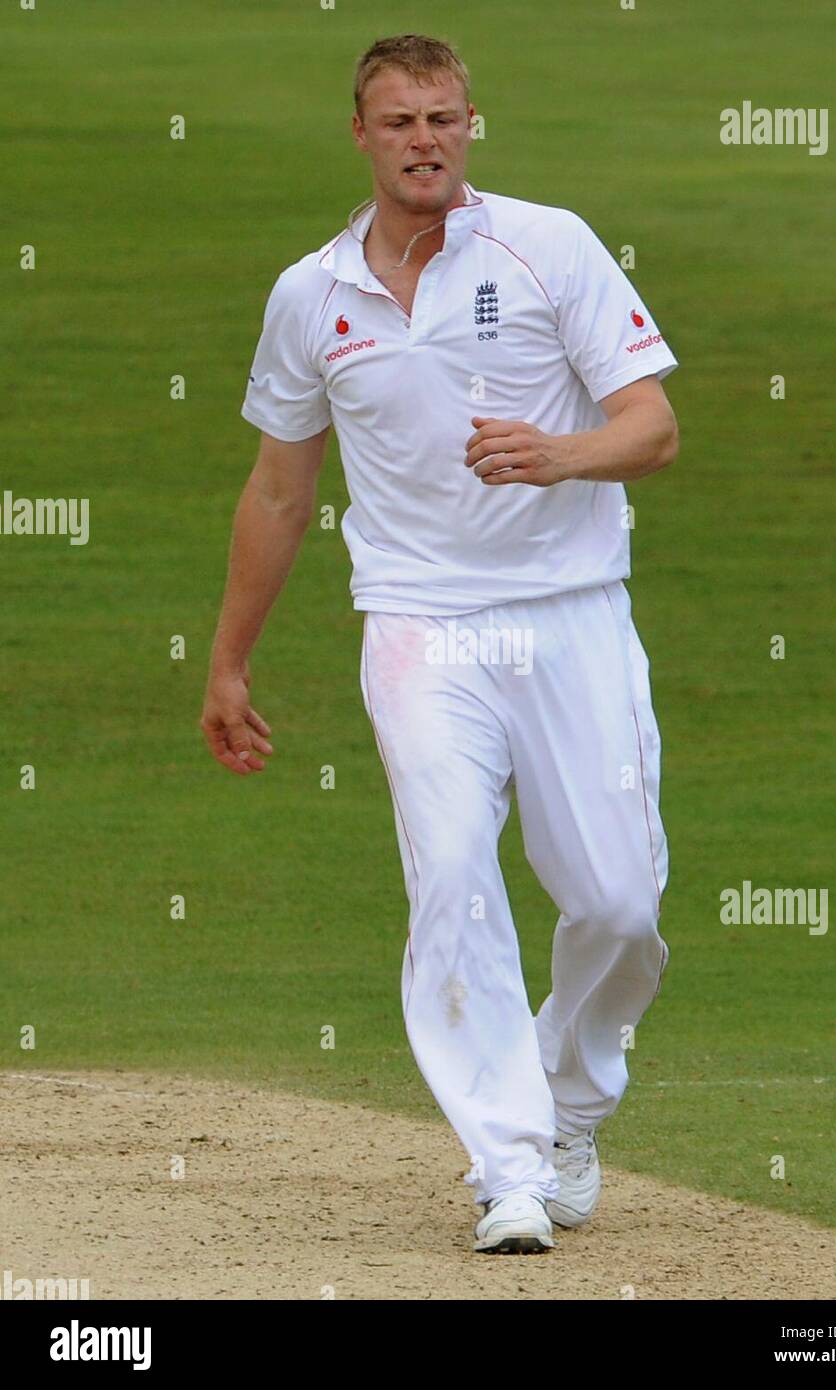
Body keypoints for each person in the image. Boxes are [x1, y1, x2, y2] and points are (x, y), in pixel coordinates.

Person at [201, 32, 679, 1255]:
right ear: (359, 135)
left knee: (619, 903)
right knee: (453, 878)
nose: (426, 139)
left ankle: (570, 1109)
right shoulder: (313, 295)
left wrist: (558, 454)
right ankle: (508, 1165)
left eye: (444, 118)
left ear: (472, 126)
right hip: (419, 625)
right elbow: (276, 492)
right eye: (401, 121)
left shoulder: (548, 245)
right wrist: (228, 663)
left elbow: (652, 427)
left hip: (571, 613)